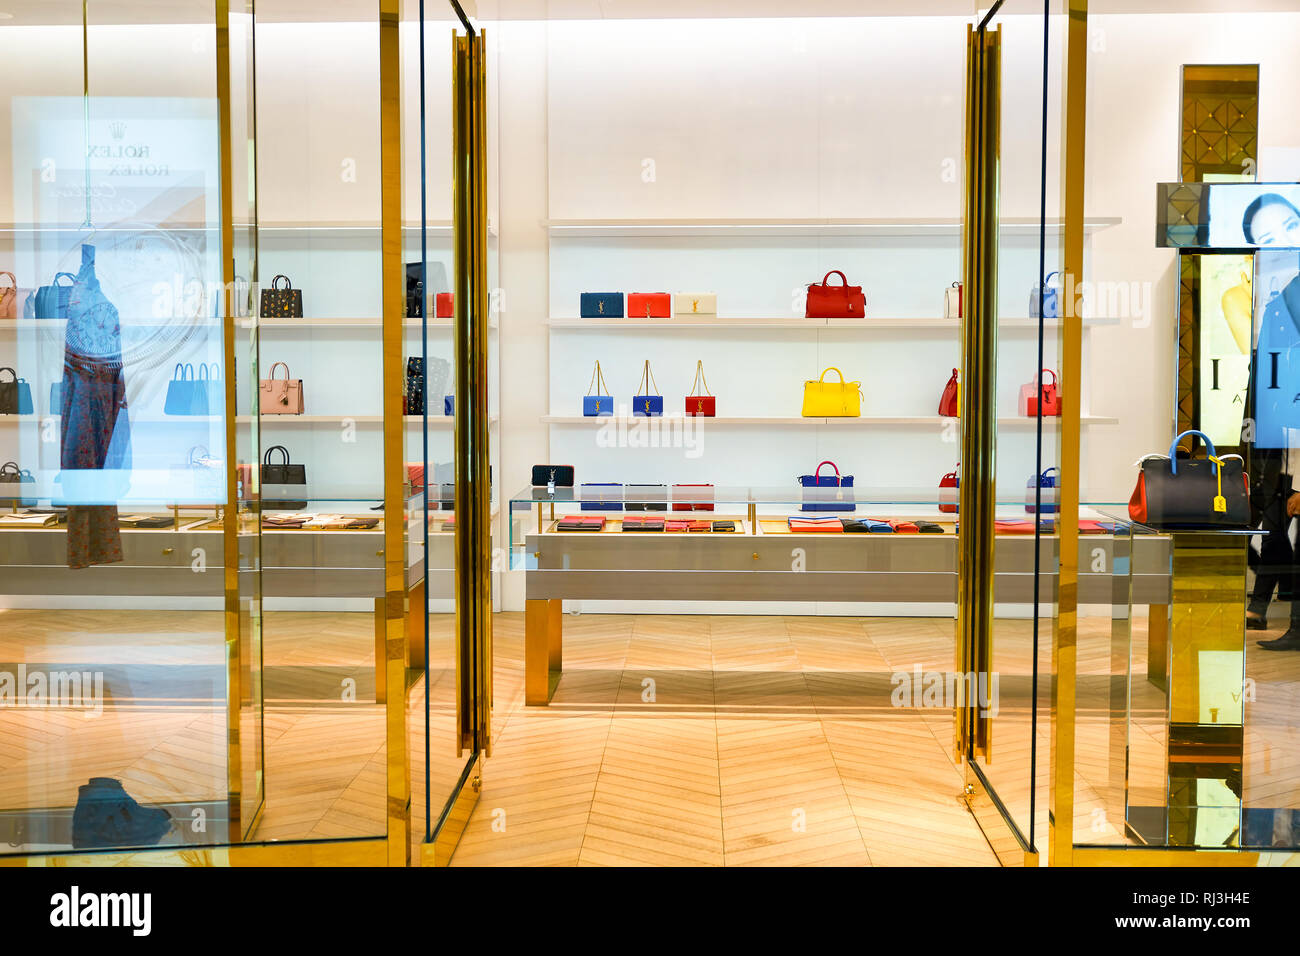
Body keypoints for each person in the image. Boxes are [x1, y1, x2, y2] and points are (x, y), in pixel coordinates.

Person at [1244, 193, 1300, 649]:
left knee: (1281, 525)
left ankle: (1265, 608)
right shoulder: (1275, 308)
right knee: (1275, 525)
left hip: (1290, 449)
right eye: (1266, 239)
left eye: (1289, 226)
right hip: (1276, 448)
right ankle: (1272, 613)